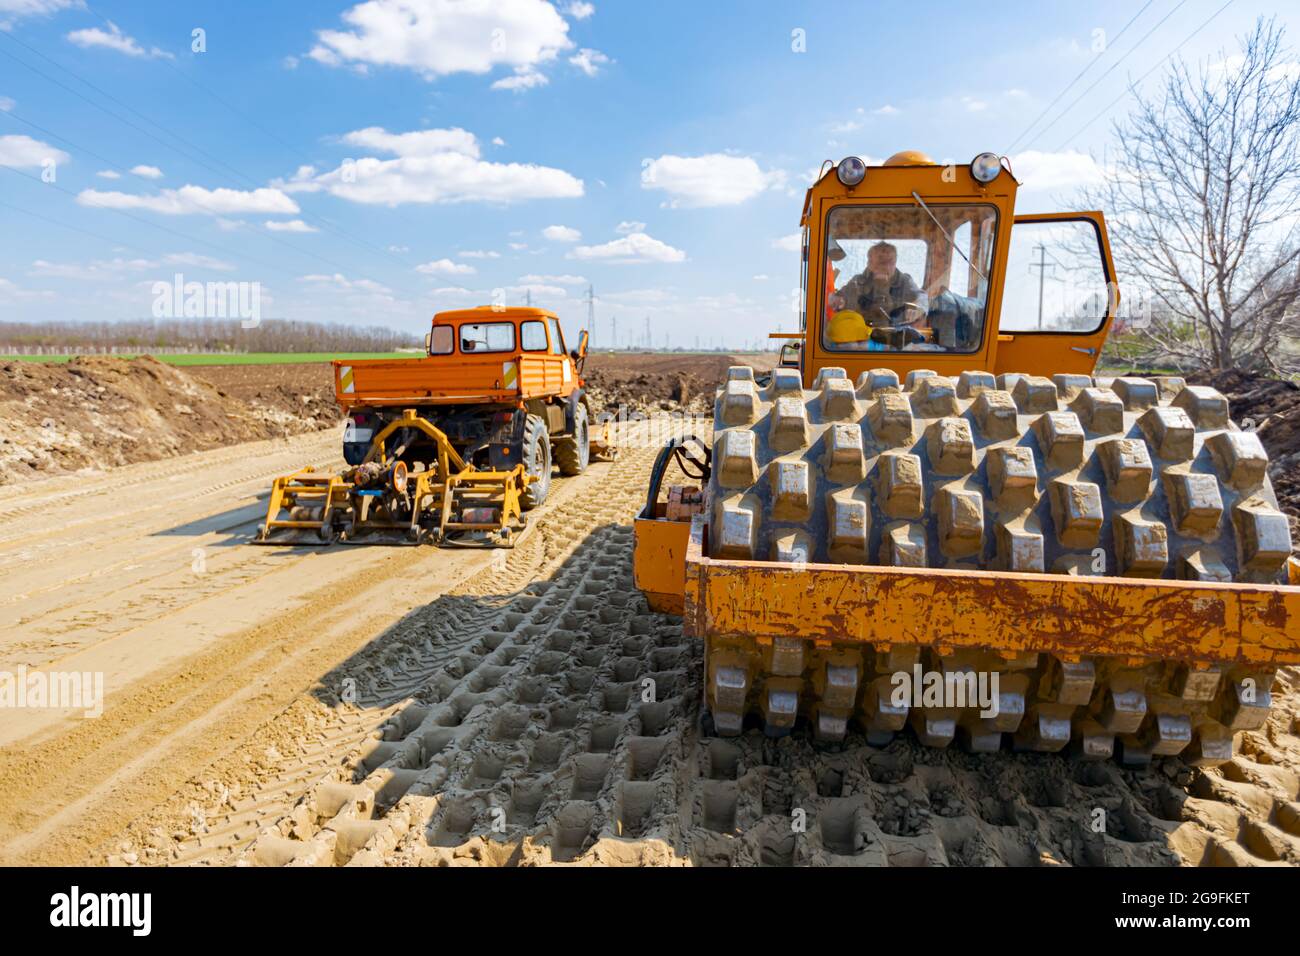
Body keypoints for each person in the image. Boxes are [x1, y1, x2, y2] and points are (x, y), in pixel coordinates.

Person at [827, 241, 928, 329]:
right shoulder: (858, 282)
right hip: (862, 334)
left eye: (890, 262)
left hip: (897, 335)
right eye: (881, 262)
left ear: (895, 262)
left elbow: (922, 297)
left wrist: (918, 307)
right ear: (870, 263)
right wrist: (838, 301)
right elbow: (841, 299)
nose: (886, 267)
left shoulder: (904, 281)